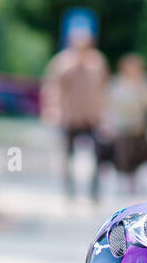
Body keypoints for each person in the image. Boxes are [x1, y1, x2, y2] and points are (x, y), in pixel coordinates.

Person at [40, 26, 109, 202]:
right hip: (69, 117)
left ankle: (94, 193)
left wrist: (105, 115)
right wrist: (52, 111)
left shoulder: (98, 62)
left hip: (92, 118)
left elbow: (104, 90)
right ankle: (69, 193)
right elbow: (52, 88)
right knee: (67, 157)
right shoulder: (62, 62)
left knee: (98, 157)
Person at [96, 53, 147, 196]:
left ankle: (137, 185)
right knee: (124, 158)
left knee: (139, 158)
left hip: (139, 127)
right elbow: (108, 104)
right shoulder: (116, 84)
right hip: (122, 128)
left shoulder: (145, 83)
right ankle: (126, 185)